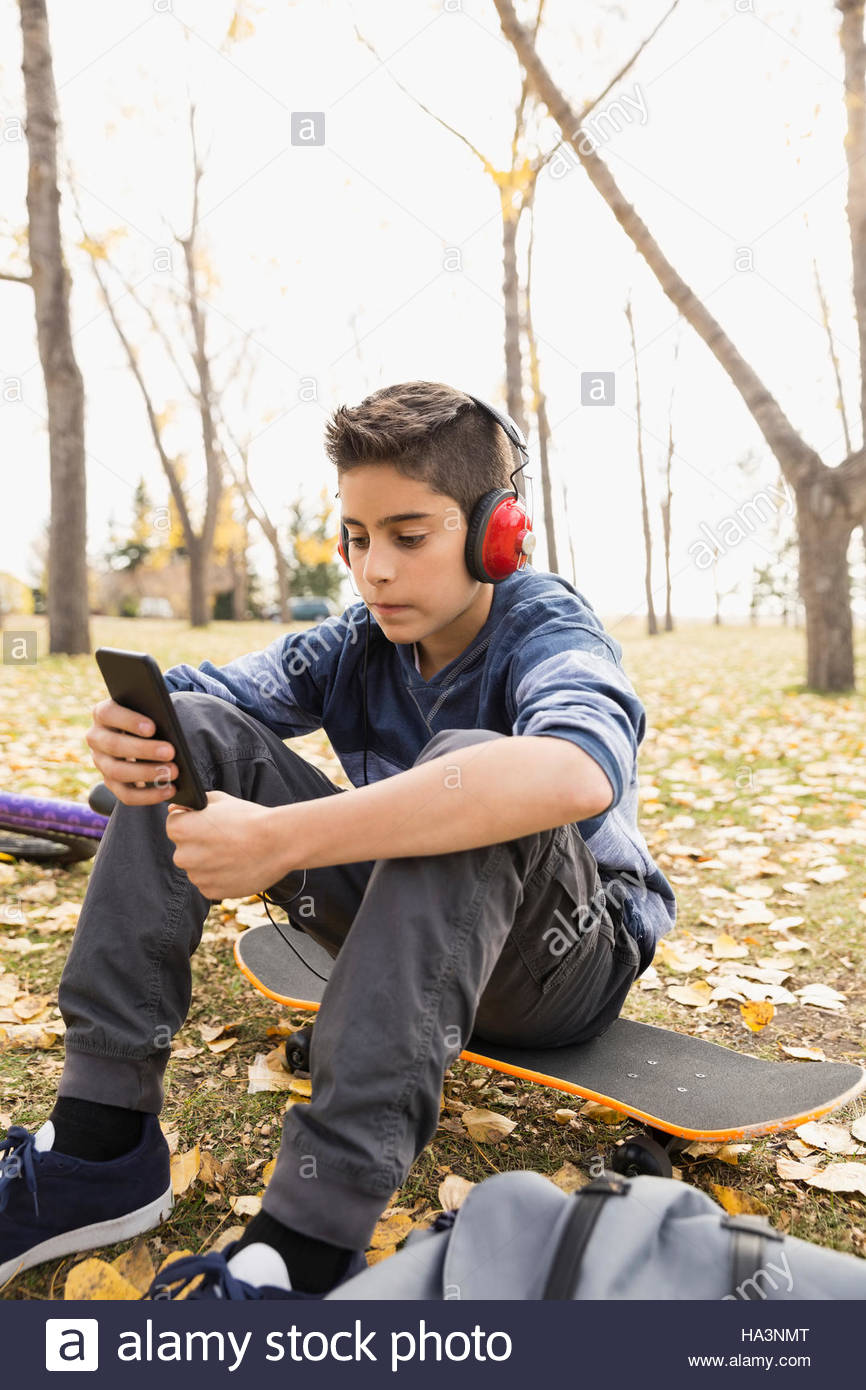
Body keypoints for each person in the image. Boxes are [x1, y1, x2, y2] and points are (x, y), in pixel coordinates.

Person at [0, 381, 676, 1300]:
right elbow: (201, 701)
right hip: (420, 942)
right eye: (357, 539)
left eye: (409, 535)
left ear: (496, 534)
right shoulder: (359, 639)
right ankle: (98, 1143)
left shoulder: (545, 623)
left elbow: (572, 771)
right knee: (188, 726)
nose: (376, 571)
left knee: (475, 774)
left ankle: (304, 1252)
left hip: (563, 966)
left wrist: (281, 838)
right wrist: (129, 741)